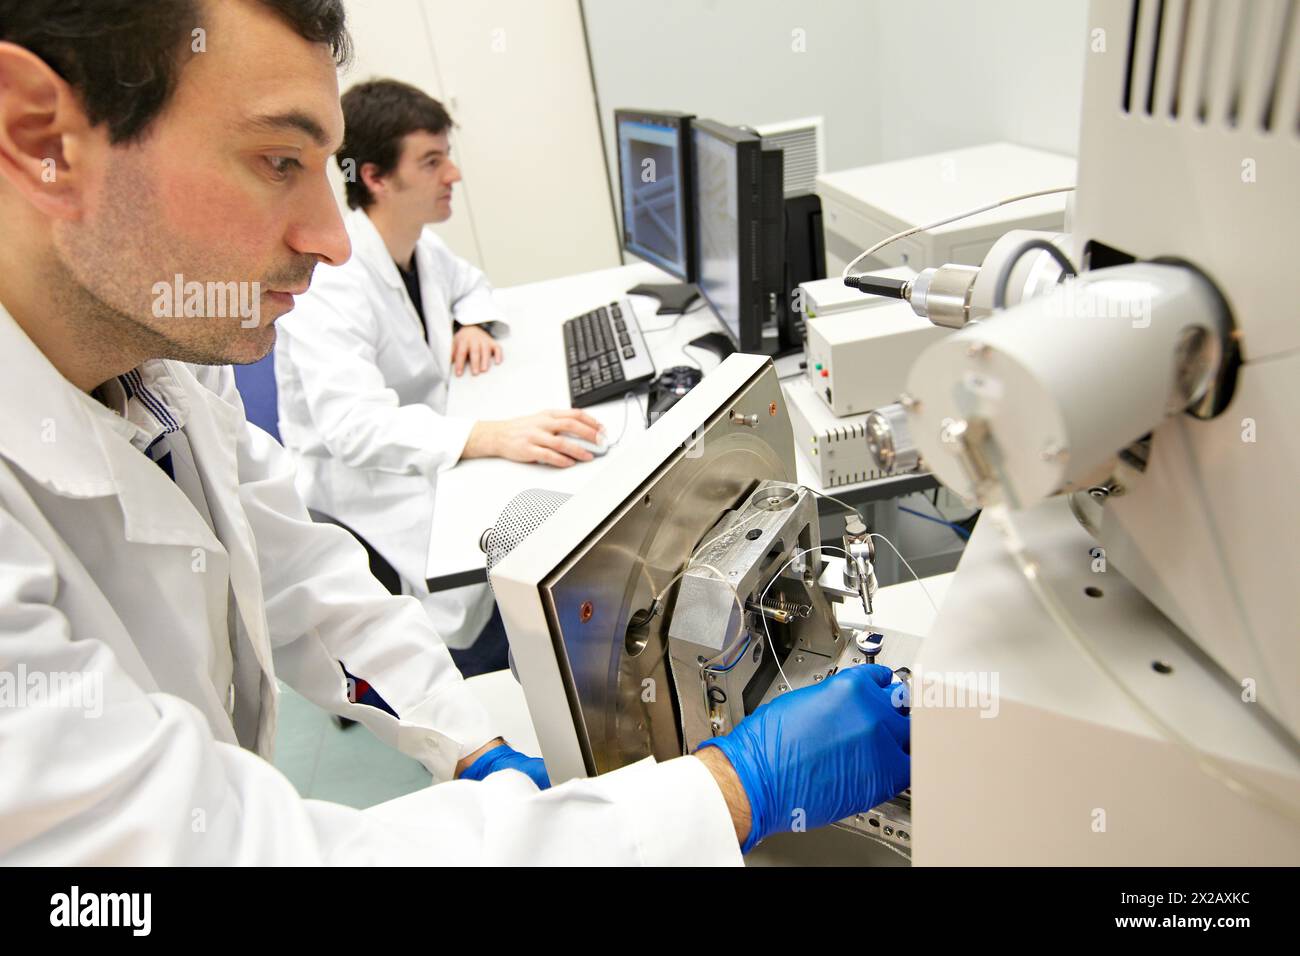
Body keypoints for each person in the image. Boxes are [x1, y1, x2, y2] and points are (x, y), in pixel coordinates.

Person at [0, 0, 910, 864]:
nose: (333, 237)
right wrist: (730, 793)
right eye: (278, 160)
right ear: (40, 138)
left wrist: (465, 736)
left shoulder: (165, 367)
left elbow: (295, 577)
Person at [274, 79, 602, 663]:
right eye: (432, 161)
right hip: (363, 475)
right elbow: (352, 427)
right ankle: (479, 662)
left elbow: (470, 287)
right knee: (484, 543)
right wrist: (485, 435)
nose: (453, 175)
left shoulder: (418, 246)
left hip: (425, 430)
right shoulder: (333, 279)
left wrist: (469, 321)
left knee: (529, 494)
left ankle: (530, 638)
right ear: (375, 177)